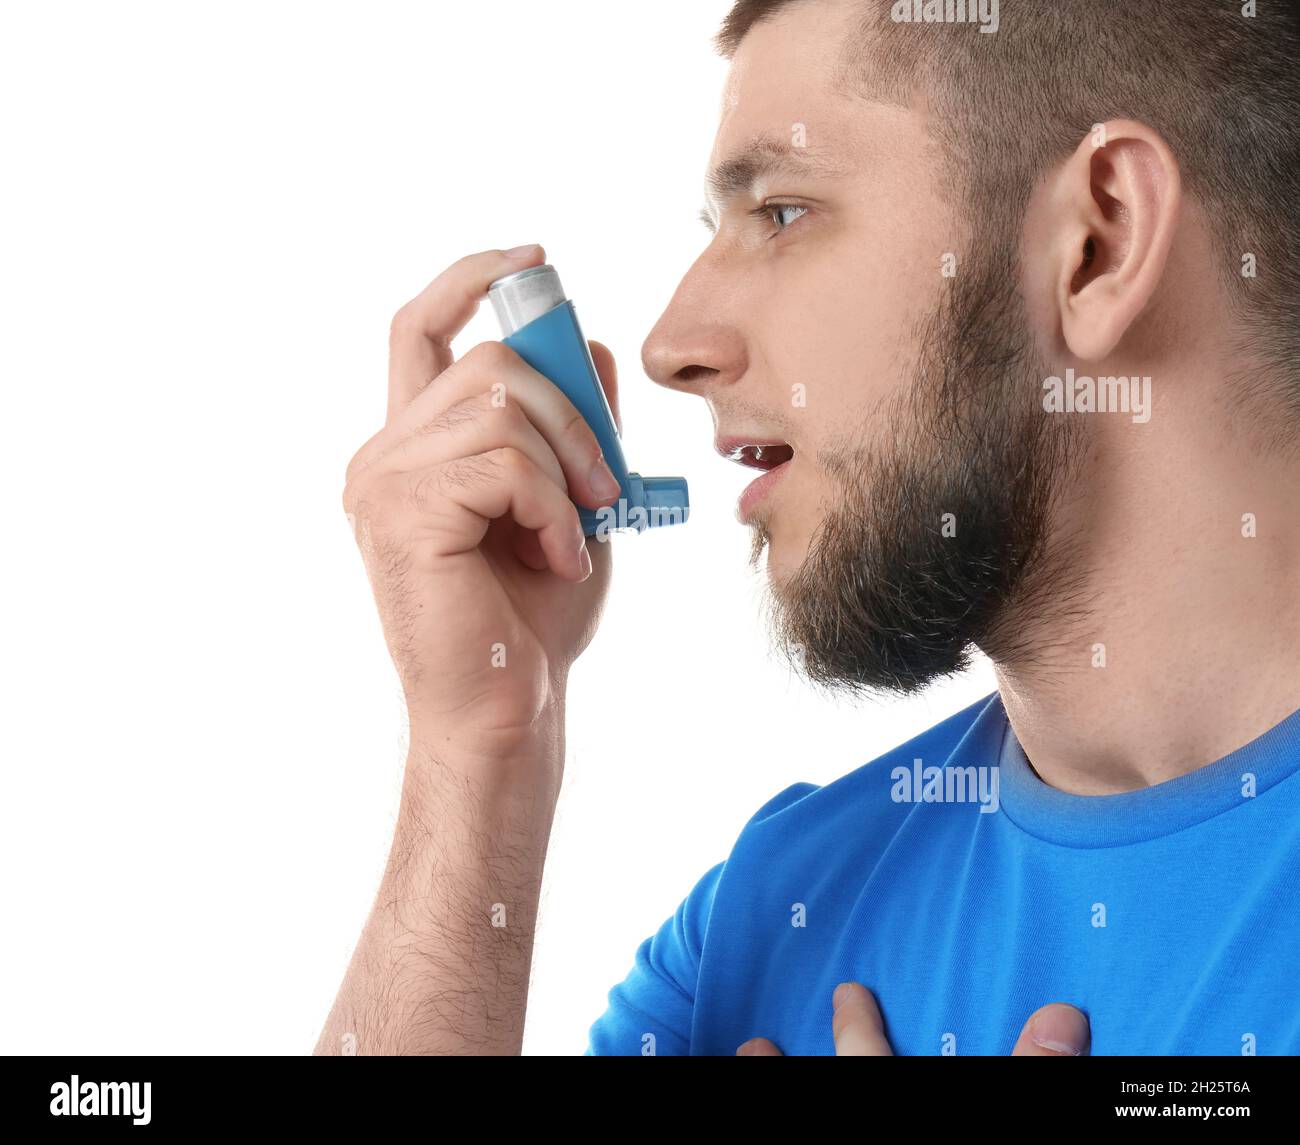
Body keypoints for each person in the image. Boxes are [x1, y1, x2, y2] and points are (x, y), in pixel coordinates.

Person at [319, 0, 1300, 1055]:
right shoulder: (773, 913)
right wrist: (481, 752)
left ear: (1096, 243)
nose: (668, 346)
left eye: (782, 213)